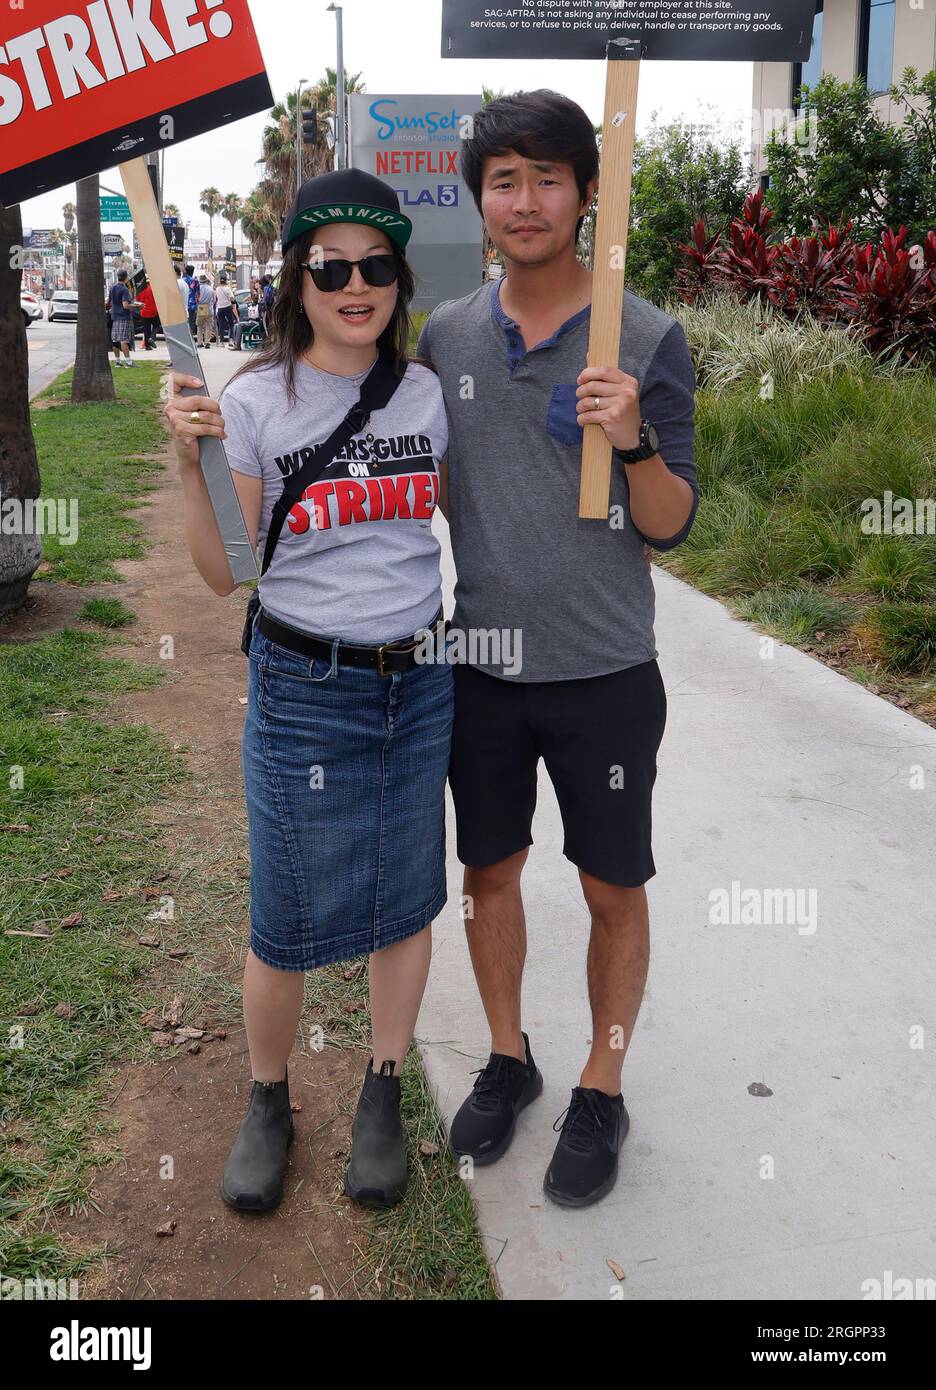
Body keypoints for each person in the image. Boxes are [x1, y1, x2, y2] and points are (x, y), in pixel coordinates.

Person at [416, 89, 699, 1208]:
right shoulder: (445, 334)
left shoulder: (646, 335)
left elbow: (673, 522)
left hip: (608, 675)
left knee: (613, 882)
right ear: (479, 201)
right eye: (503, 180)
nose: (523, 200)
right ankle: (509, 1055)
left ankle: (602, 1079)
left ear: (586, 193)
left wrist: (631, 440)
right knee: (488, 873)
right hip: (482, 668)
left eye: (546, 178)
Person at [162, 169, 453, 1213]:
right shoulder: (253, 400)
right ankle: (270, 1098)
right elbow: (223, 571)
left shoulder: (422, 393)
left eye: (376, 264)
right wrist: (186, 466)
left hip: (418, 684)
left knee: (407, 894)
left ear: (398, 276)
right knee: (284, 912)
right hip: (302, 685)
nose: (355, 283)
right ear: (300, 278)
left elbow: (451, 520)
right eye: (332, 265)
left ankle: (382, 1087)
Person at [104, 269, 139, 367]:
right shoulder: (124, 289)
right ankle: (129, 362)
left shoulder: (112, 288)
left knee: (115, 340)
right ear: (126, 278)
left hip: (114, 316)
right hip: (123, 317)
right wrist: (137, 306)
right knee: (123, 340)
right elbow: (125, 305)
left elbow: (107, 302)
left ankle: (118, 362)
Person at [214, 274, 238, 344]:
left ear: (220, 282)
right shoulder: (228, 289)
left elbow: (216, 299)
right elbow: (232, 298)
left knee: (221, 325)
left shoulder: (217, 289)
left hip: (220, 308)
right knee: (231, 324)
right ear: (226, 281)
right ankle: (231, 340)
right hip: (227, 307)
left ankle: (221, 341)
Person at [137, 279, 159, 350]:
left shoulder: (140, 291)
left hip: (144, 312)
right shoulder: (152, 289)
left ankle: (147, 346)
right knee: (157, 325)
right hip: (153, 311)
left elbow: (138, 300)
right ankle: (152, 337)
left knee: (146, 329)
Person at [195, 274, 216, 348]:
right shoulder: (211, 289)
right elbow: (214, 300)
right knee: (208, 326)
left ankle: (200, 342)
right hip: (209, 309)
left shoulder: (198, 288)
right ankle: (207, 342)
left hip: (200, 308)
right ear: (206, 281)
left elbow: (196, 299)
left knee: (199, 326)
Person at [183, 263, 198, 334]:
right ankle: (190, 336)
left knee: (183, 322)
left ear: (186, 271)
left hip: (183, 304)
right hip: (192, 305)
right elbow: (198, 294)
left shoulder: (182, 280)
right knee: (191, 321)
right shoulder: (195, 281)